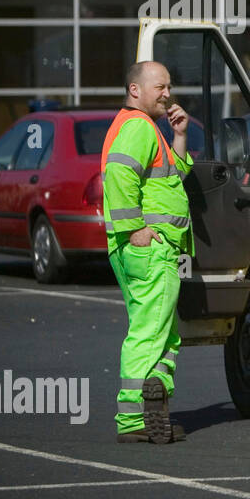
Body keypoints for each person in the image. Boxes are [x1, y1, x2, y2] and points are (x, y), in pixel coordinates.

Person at [101, 60, 193, 444]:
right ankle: (133, 419)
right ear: (135, 90)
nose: (167, 94)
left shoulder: (143, 127)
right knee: (148, 333)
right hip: (152, 248)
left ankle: (155, 392)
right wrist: (134, 227)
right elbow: (120, 173)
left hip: (144, 249)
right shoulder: (139, 127)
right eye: (160, 87)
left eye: (169, 86)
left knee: (163, 333)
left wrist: (180, 137)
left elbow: (171, 177)